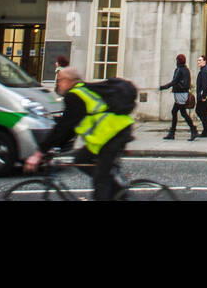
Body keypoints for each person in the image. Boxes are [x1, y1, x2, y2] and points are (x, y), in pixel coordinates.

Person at [24, 66, 134, 200]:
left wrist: (40, 152)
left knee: (101, 178)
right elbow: (69, 128)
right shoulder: (81, 91)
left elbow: (64, 127)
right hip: (106, 136)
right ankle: (117, 191)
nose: (58, 84)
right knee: (81, 159)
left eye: (60, 80)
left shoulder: (75, 96)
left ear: (69, 80)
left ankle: (113, 190)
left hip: (114, 135)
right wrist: (52, 147)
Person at [159, 54, 198, 141]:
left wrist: (163, 87)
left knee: (183, 113)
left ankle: (193, 129)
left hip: (180, 94)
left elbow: (174, 81)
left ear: (178, 61)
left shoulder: (179, 70)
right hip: (183, 93)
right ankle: (172, 132)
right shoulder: (186, 69)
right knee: (174, 111)